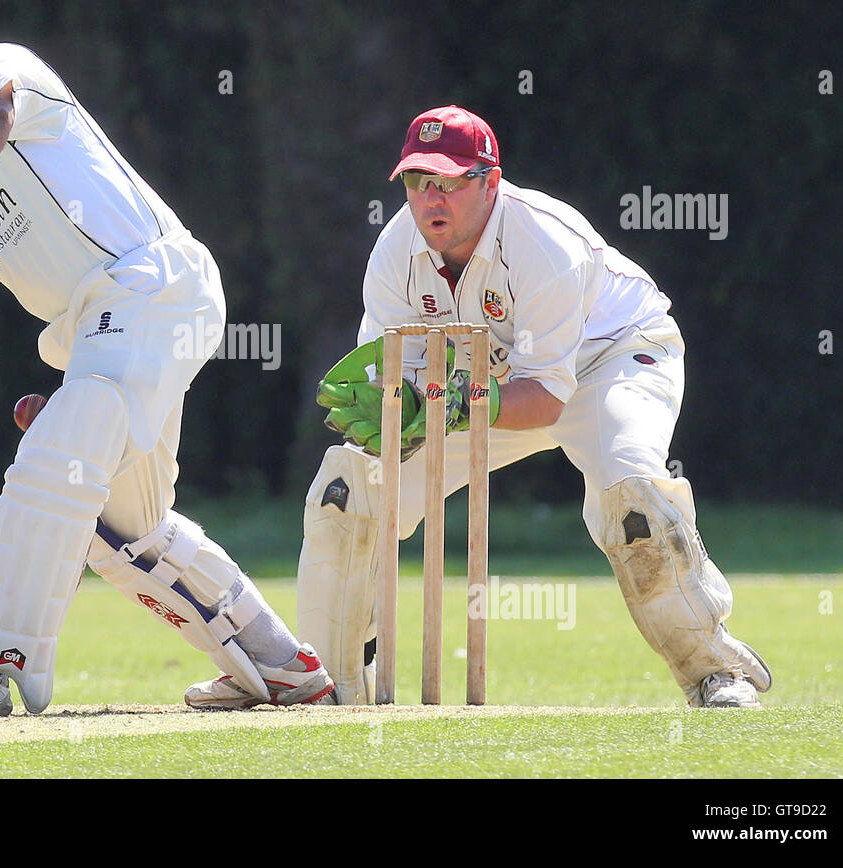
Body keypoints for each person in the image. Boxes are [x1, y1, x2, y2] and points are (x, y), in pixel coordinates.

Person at [0, 0, 334, 715]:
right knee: (122, 526)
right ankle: (280, 664)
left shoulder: (0, 70)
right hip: (92, 331)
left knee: (55, 457)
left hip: (151, 283)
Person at [299, 105, 772, 708]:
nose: (430, 199)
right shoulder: (395, 253)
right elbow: (392, 372)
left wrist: (454, 402)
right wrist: (391, 406)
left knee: (631, 494)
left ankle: (713, 669)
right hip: (482, 387)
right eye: (419, 182)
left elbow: (547, 398)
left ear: (490, 181)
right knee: (351, 486)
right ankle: (331, 684)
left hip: (612, 359)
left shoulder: (547, 242)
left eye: (449, 182)